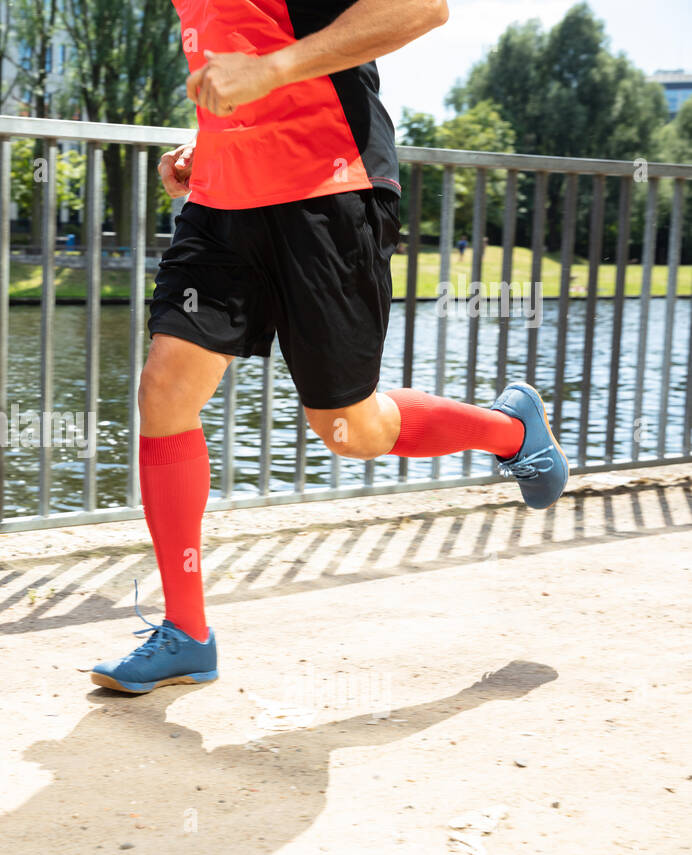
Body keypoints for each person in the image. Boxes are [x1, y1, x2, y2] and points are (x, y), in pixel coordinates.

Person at [90, 0, 568, 695]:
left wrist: (274, 70)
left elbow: (420, 8)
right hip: (223, 200)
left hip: (328, 186)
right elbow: (240, 57)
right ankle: (187, 633)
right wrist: (212, 139)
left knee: (349, 428)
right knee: (164, 388)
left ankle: (508, 428)